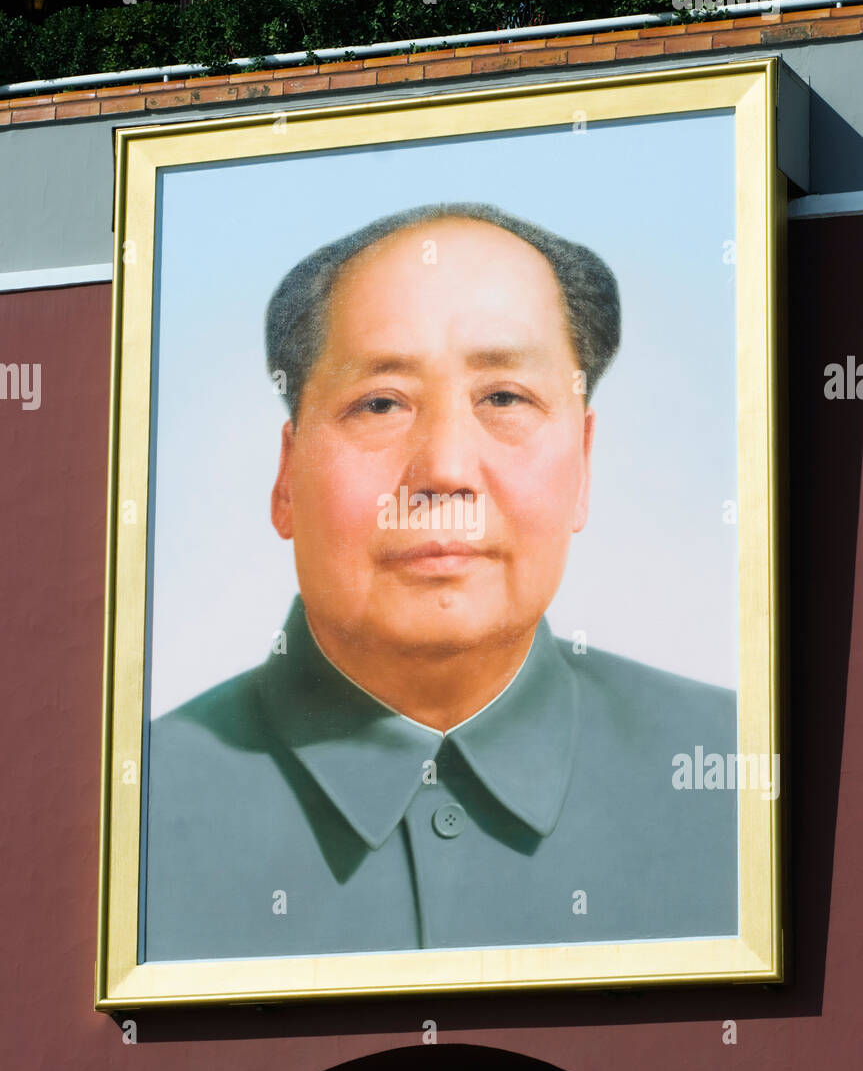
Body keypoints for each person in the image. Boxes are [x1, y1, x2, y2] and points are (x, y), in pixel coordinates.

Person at [145, 202, 737, 962]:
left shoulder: (736, 777)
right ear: (286, 476)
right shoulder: (129, 815)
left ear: (583, 462)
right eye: (381, 403)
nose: (446, 471)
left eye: (503, 398)